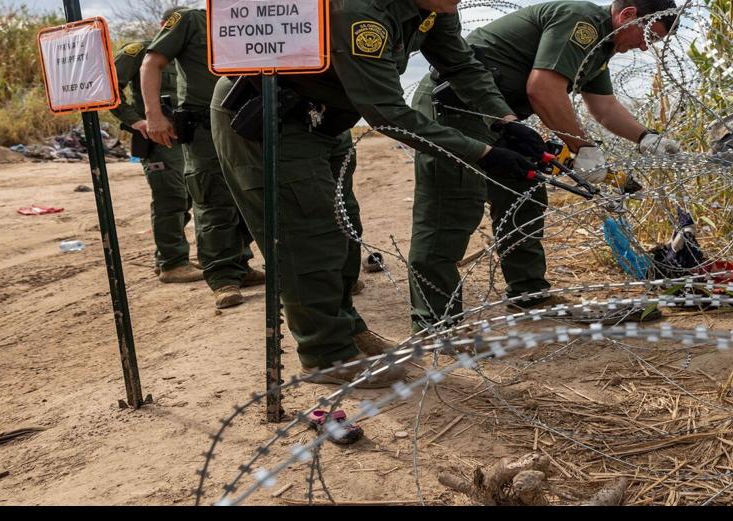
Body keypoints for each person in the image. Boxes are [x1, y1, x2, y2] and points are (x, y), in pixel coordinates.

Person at [209, 0, 538, 386]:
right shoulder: (360, 12)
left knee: (345, 227)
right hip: (265, 117)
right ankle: (326, 355)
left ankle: (346, 328)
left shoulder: (437, 8)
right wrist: (482, 152)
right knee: (308, 237)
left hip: (324, 119)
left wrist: (505, 121)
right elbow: (387, 113)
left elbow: (462, 65)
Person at [407, 0, 683, 329]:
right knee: (451, 210)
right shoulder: (582, 22)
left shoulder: (600, 48)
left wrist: (646, 138)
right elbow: (543, 89)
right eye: (649, 35)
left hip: (502, 119)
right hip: (456, 107)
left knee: (524, 191)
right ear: (628, 15)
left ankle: (529, 295)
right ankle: (435, 325)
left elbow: (604, 106)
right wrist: (583, 148)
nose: (645, 46)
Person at [139, 7, 260, 309]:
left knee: (251, 193)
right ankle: (223, 278)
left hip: (247, 121)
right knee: (212, 197)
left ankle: (241, 265)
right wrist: (153, 116)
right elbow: (151, 63)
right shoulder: (192, 20)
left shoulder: (256, 16)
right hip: (204, 126)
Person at [110, 38, 198, 284]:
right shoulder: (141, 52)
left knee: (187, 195)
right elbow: (110, 87)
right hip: (156, 140)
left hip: (183, 137)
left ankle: (169, 257)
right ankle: (173, 264)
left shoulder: (185, 52)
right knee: (170, 197)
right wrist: (135, 121)